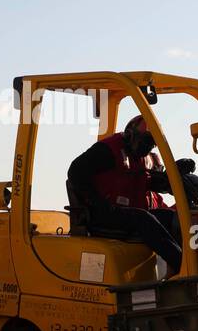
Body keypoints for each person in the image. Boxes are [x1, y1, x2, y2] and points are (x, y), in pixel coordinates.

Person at [67, 115, 182, 275]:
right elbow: (75, 171)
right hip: (104, 214)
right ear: (130, 135)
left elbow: (154, 184)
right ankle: (183, 266)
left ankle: (183, 267)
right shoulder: (107, 150)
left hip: (129, 215)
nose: (146, 148)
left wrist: (176, 171)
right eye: (144, 142)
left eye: (151, 144)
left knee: (175, 219)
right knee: (144, 219)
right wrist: (97, 202)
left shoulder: (144, 159)